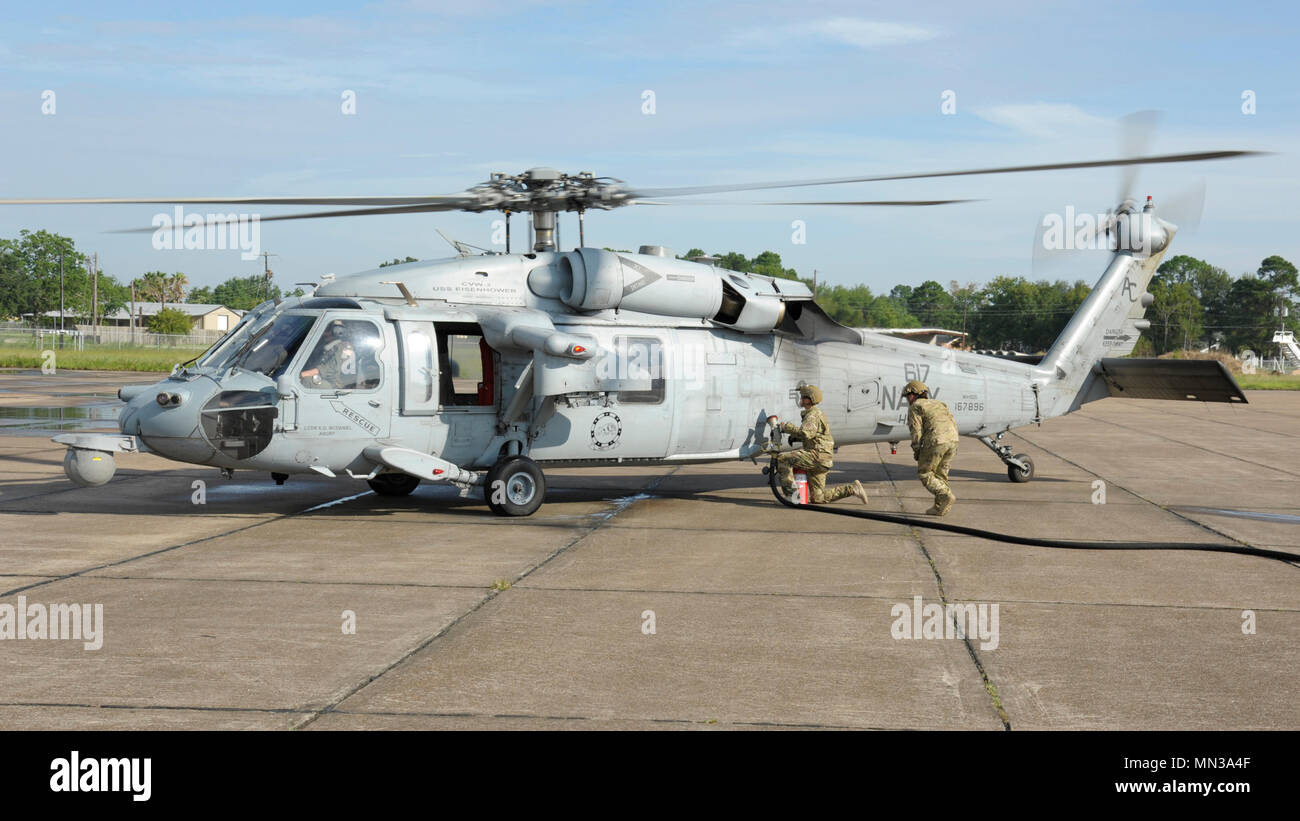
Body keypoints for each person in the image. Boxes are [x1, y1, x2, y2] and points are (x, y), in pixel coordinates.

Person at [771, 384, 868, 505]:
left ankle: (793, 496)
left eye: (802, 397)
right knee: (818, 498)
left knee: (782, 460)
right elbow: (813, 435)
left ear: (808, 399)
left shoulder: (812, 415)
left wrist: (786, 427)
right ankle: (852, 489)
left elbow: (806, 433)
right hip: (823, 458)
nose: (800, 399)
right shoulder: (815, 414)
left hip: (816, 456)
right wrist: (795, 437)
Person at [903, 379, 958, 516]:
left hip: (936, 441)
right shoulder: (939, 403)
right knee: (940, 475)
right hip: (953, 440)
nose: (907, 399)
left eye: (907, 396)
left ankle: (946, 495)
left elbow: (916, 431)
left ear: (914, 394)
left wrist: (917, 450)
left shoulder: (915, 406)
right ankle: (939, 508)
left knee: (925, 473)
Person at [302, 320, 357, 389]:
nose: (323, 333)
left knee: (307, 381)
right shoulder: (329, 347)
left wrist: (302, 375)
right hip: (328, 380)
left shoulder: (344, 347)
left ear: (337, 332)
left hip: (336, 385)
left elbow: (328, 370)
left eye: (327, 330)